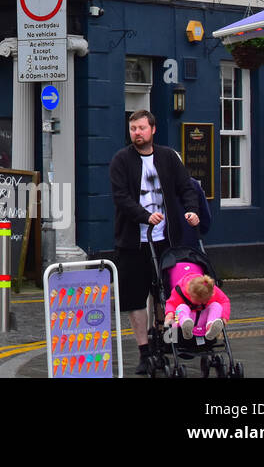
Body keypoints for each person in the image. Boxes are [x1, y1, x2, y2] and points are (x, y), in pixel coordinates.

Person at [109, 109, 201, 375]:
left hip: (165, 240)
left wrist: (192, 210)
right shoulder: (121, 160)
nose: (137, 133)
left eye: (141, 128)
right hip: (133, 241)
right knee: (135, 298)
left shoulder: (168, 158)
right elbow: (121, 198)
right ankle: (143, 350)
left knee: (163, 294)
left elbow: (186, 187)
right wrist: (146, 216)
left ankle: (161, 342)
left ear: (153, 129)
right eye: (133, 129)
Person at [164, 266, 231, 341]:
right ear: (190, 293)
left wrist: (224, 317)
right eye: (199, 301)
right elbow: (171, 303)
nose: (201, 303)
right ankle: (186, 327)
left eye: (205, 301)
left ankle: (210, 327)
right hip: (181, 320)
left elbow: (224, 301)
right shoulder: (179, 290)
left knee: (216, 306)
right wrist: (170, 314)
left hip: (203, 319)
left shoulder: (210, 289)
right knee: (181, 308)